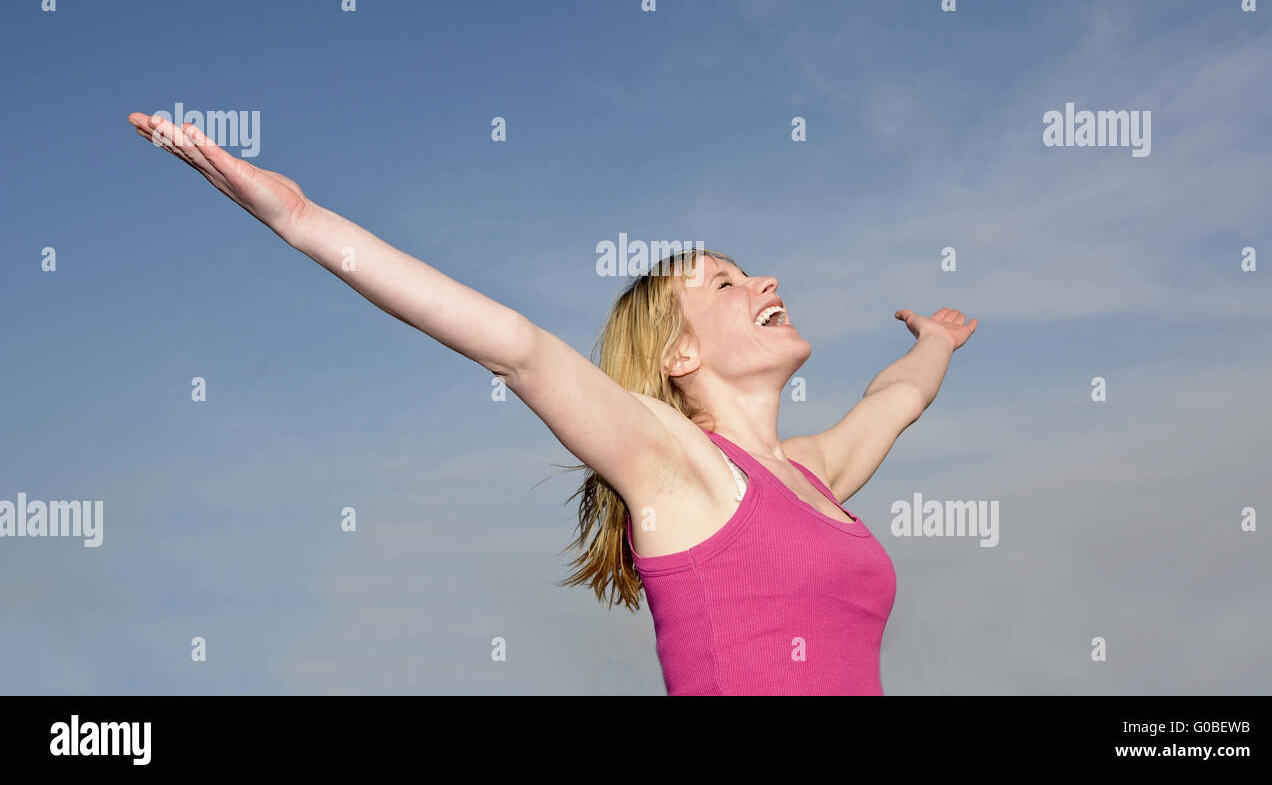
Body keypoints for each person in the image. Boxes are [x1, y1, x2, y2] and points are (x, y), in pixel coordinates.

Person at [125, 113, 978, 694]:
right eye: (725, 281)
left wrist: (933, 342)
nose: (765, 280)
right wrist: (301, 218)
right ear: (678, 355)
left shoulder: (811, 476)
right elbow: (516, 347)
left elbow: (895, 400)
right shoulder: (676, 466)